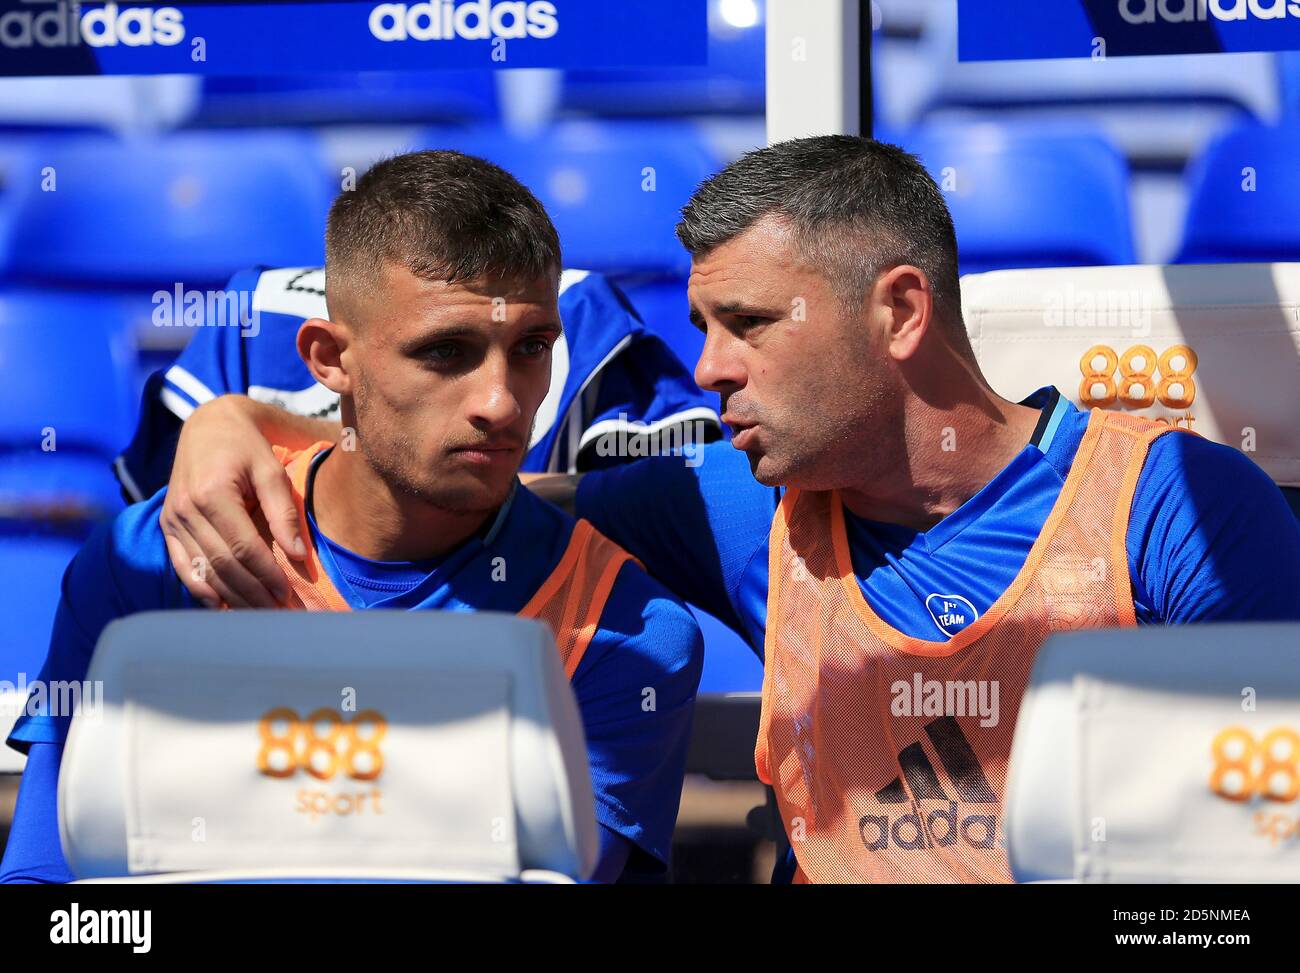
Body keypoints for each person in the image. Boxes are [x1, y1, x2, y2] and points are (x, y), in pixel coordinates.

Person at [149, 136, 1300, 883]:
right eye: (702, 328)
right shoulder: (741, 505)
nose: (704, 371)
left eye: (747, 325)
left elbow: (1263, 851)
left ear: (899, 311)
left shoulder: (1174, 509)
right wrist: (241, 422)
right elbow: (452, 482)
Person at [1, 150, 703, 884]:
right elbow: (48, 882)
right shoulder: (154, 560)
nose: (501, 402)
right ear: (329, 358)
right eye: (446, 351)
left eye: (531, 347)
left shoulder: (623, 628)